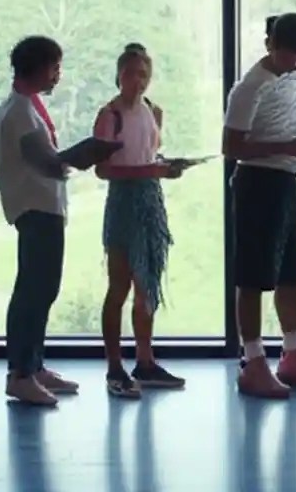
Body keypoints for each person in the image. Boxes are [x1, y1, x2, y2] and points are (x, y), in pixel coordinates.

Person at [224, 13, 296, 399]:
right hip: (257, 183)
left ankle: (293, 352)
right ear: (271, 46)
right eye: (294, 56)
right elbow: (233, 147)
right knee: (254, 275)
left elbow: (285, 130)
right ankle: (253, 361)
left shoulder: (294, 77)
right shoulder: (248, 88)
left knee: (292, 271)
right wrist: (290, 146)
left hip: (289, 180)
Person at [0, 35, 95, 406]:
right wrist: (86, 154)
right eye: (54, 68)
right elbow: (46, 162)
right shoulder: (20, 112)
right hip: (36, 209)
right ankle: (20, 373)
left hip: (42, 207)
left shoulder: (24, 106)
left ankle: (32, 366)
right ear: (36, 69)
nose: (58, 75)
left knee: (40, 291)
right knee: (33, 293)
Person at [95, 43, 186, 398]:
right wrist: (153, 169)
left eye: (144, 74)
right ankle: (114, 366)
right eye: (132, 74)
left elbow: (148, 152)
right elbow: (102, 169)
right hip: (123, 202)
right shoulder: (109, 115)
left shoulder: (152, 110)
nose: (138, 81)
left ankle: (145, 361)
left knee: (147, 283)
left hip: (150, 200)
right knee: (119, 285)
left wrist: (166, 167)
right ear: (119, 75)